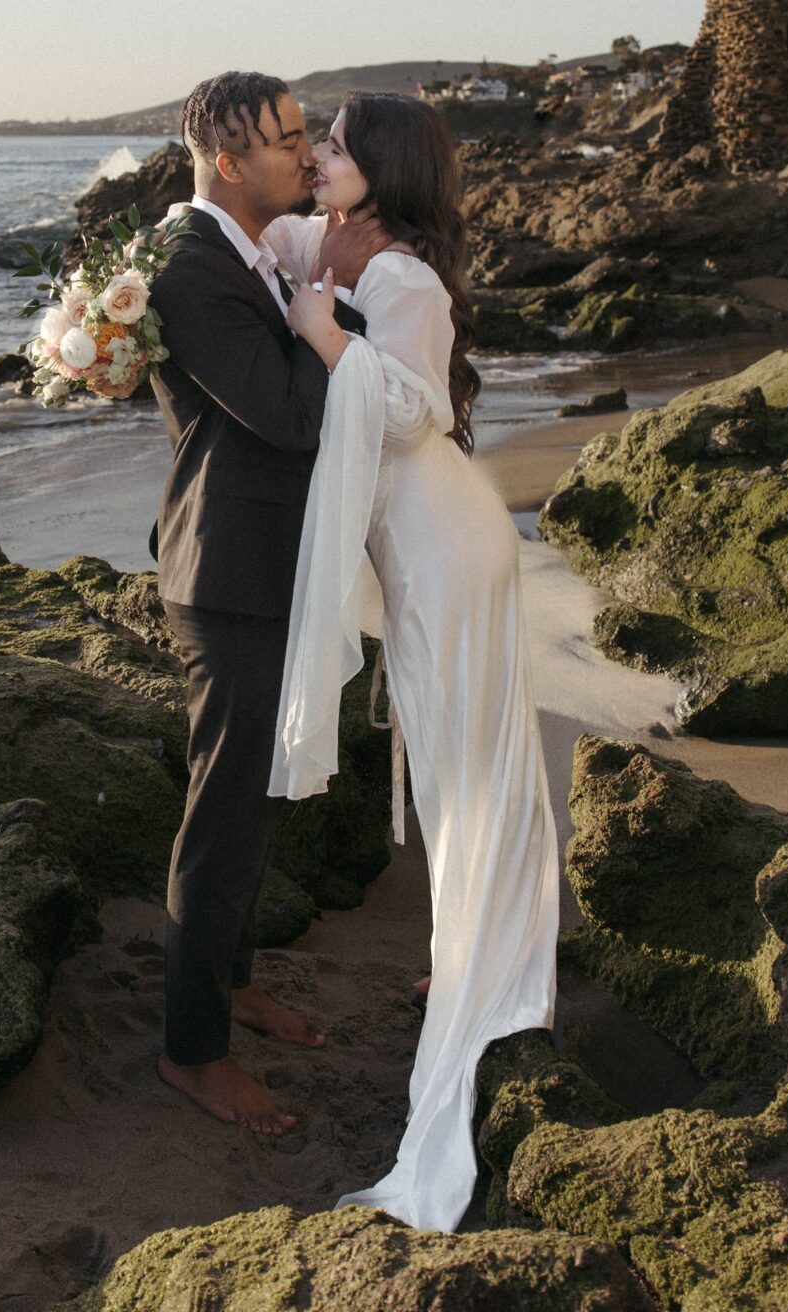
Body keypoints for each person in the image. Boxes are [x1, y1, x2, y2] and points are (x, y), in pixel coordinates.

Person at [264, 90, 559, 1232]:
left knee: (463, 762)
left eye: (332, 145)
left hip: (447, 547)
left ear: (381, 167)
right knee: (450, 764)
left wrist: (324, 329)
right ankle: (479, 953)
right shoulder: (336, 241)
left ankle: (491, 974)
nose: (317, 158)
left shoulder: (407, 277)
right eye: (316, 142)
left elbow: (419, 406)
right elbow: (249, 233)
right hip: (417, 545)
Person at [147, 70, 389, 1137]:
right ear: (230, 162)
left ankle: (235, 982)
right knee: (224, 812)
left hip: (264, 563)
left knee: (255, 805)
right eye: (287, 139)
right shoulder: (194, 270)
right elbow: (290, 414)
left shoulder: (241, 251)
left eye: (304, 134)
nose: (306, 153)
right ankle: (192, 1050)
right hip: (228, 572)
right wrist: (325, 311)